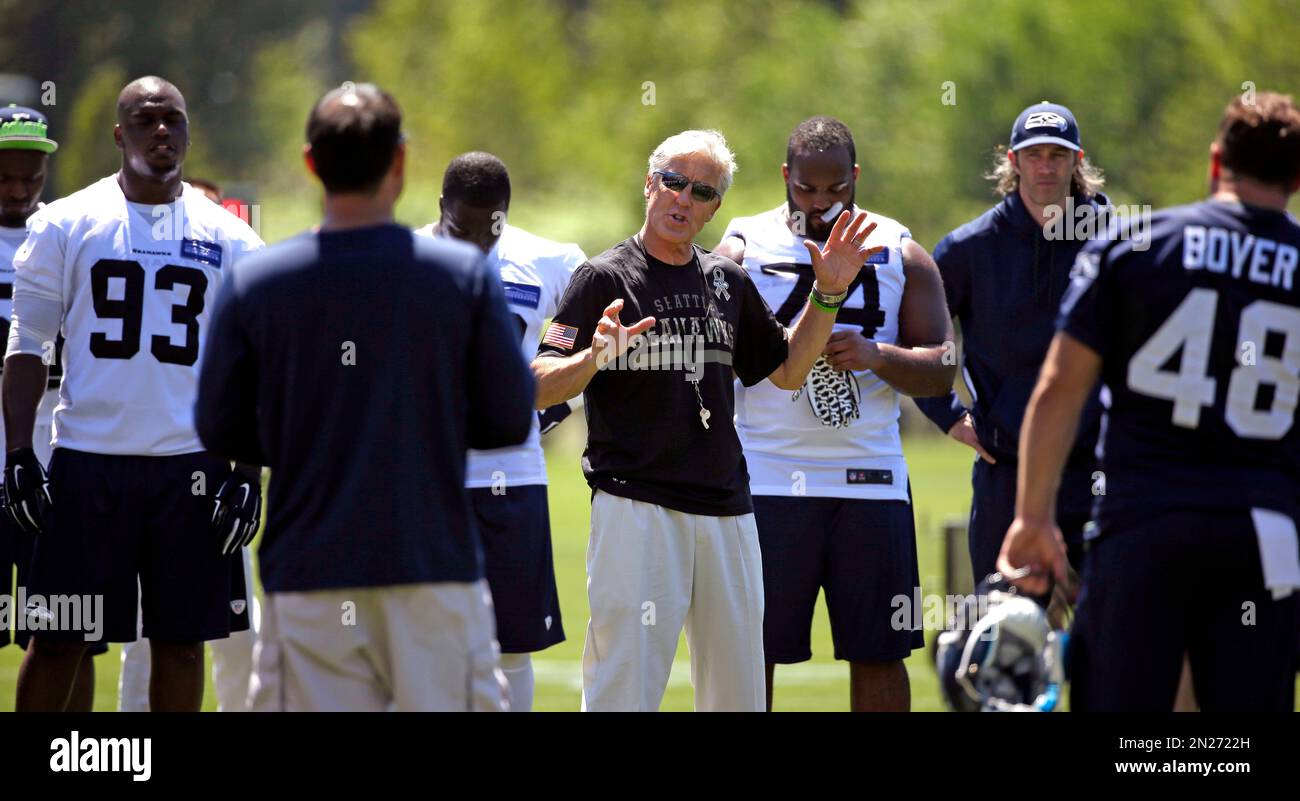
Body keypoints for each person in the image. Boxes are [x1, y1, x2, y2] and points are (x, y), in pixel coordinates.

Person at [196, 83, 535, 712]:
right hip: (431, 567)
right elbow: (509, 420)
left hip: (309, 574)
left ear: (311, 163)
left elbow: (218, 428)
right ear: (401, 163)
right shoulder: (460, 277)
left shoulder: (259, 281)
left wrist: (308, 437)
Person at [532, 129, 882, 712]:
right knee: (624, 688)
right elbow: (539, 385)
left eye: (701, 191)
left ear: (715, 207)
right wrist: (593, 358)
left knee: (739, 696)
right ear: (649, 185)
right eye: (672, 182)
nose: (682, 199)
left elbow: (790, 370)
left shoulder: (728, 282)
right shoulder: (603, 277)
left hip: (727, 511)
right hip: (636, 507)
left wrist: (828, 292)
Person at [998, 91, 1300, 711]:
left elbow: (1059, 388)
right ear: (1296, 178)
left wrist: (1032, 518)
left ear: (1216, 162)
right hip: (1265, 535)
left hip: (1145, 523)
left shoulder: (1139, 245)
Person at [6, 77, 262, 712]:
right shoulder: (67, 222)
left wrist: (248, 471)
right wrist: (17, 452)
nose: (162, 132)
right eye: (146, 120)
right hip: (88, 462)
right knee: (59, 637)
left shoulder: (230, 237)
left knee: (180, 642)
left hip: (190, 467)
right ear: (121, 134)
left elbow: (255, 364)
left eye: (173, 119)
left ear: (188, 132)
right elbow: (28, 344)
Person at [715, 116, 955, 711]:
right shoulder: (743, 245)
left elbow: (943, 365)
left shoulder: (900, 250)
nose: (820, 203)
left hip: (870, 481)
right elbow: (715, 354)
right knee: (754, 651)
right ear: (784, 177)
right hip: (765, 478)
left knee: (878, 651)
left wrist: (879, 355)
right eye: (805, 189)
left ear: (855, 177)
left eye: (835, 190)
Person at [416, 151, 584, 712]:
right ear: (441, 209)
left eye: (489, 231)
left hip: (512, 477)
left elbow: (589, 353)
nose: (476, 246)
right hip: (425, 483)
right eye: (461, 229)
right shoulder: (405, 258)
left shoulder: (550, 260)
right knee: (422, 645)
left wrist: (544, 414)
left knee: (512, 646)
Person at [915, 101, 1109, 581]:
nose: (1046, 166)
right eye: (1034, 154)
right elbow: (917, 337)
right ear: (1013, 160)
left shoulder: (1115, 241)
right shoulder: (968, 249)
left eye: (1057, 155)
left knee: (1108, 633)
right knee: (1002, 630)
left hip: (1097, 468)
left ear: (1077, 161)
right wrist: (948, 416)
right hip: (1006, 468)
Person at [117, 175, 261, 713]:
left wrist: (247, 472)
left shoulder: (229, 259)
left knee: (234, 635)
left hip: (207, 473)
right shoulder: (132, 260)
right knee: (143, 638)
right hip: (134, 465)